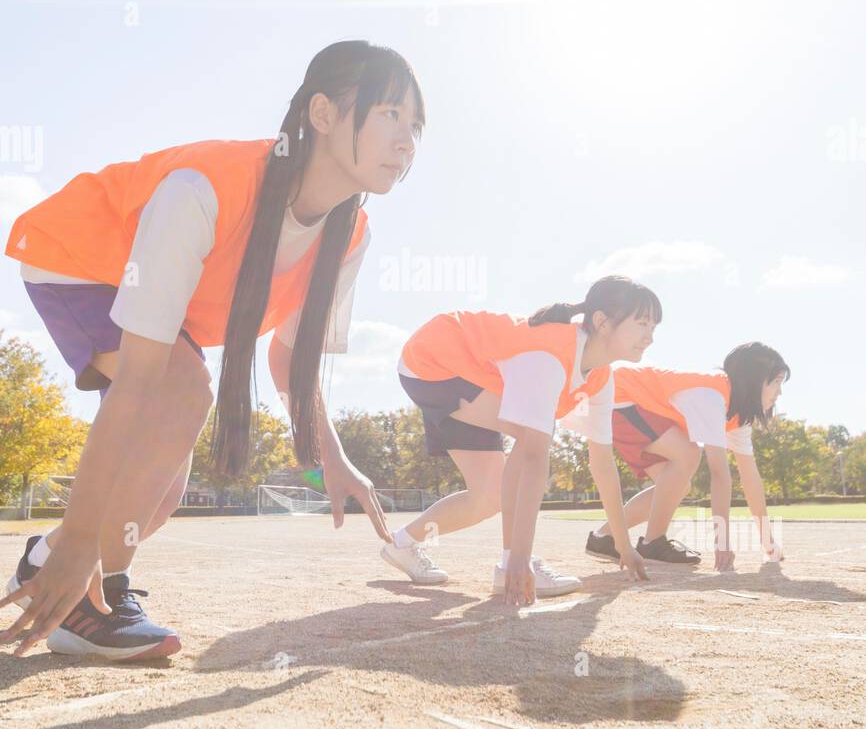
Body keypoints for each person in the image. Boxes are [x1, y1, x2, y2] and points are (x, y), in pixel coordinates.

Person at [1, 41, 423, 658]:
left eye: (416, 125)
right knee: (181, 391)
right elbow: (143, 384)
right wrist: (82, 546)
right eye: (390, 114)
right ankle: (90, 599)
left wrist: (329, 455)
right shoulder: (203, 190)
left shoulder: (350, 231)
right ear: (324, 113)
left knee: (160, 498)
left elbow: (287, 358)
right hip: (81, 258)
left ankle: (45, 557)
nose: (407, 140)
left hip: (170, 311)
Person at [384, 276, 661, 605]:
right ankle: (509, 564)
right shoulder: (548, 357)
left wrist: (624, 546)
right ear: (601, 321)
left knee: (487, 496)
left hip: (478, 375)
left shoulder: (600, 379)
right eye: (642, 323)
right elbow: (532, 455)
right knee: (530, 435)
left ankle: (402, 544)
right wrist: (518, 559)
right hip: (433, 359)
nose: (650, 337)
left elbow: (602, 465)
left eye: (654, 326)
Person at [586, 344, 789, 570]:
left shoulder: (737, 417)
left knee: (676, 484)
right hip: (617, 395)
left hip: (630, 404)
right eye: (777, 382)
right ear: (754, 379)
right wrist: (722, 543)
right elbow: (719, 474)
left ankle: (603, 537)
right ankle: (653, 542)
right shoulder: (712, 396)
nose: (780, 392)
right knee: (688, 454)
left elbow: (750, 478)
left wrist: (767, 541)